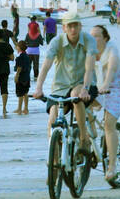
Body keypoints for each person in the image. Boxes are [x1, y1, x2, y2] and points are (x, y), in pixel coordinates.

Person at [32, 10, 98, 162]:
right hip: (60, 87)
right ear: (64, 28)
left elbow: (89, 68)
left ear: (80, 26)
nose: (73, 29)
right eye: (70, 26)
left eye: (76, 26)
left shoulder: (89, 40)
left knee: (76, 94)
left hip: (85, 84)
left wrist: (86, 89)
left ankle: (83, 139)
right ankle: (54, 161)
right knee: (53, 119)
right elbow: (46, 66)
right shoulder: (57, 42)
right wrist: (39, 88)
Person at [92, 24, 120, 186]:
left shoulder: (111, 50)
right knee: (80, 110)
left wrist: (106, 83)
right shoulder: (90, 51)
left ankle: (112, 166)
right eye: (91, 36)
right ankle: (90, 142)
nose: (93, 39)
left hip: (116, 90)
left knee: (108, 124)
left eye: (97, 36)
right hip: (99, 89)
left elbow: (112, 67)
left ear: (105, 38)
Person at [13, 39, 33, 115]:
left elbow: (19, 68)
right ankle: (26, 108)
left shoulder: (20, 57)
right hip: (27, 76)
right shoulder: (27, 56)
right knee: (25, 93)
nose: (16, 48)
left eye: (17, 46)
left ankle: (19, 108)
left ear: (19, 48)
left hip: (21, 77)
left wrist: (16, 76)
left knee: (20, 93)